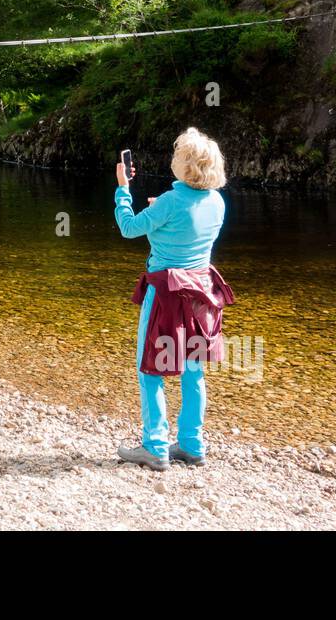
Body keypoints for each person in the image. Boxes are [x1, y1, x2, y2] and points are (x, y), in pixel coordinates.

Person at [113, 127, 234, 471]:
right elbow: (188, 226)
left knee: (151, 369)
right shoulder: (216, 202)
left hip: (166, 293)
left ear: (183, 165)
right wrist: (160, 212)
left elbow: (129, 227)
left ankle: (154, 446)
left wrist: (123, 190)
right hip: (202, 297)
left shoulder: (169, 201)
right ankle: (192, 445)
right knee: (193, 371)